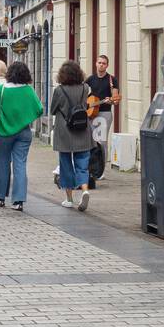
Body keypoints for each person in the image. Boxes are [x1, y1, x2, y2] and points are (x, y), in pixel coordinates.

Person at [0, 62, 43, 211]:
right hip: (24, 132)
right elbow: (39, 109)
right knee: (20, 165)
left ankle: (0, 198)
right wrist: (25, 118)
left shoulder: (2, 89)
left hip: (4, 132)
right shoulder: (29, 90)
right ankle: (18, 201)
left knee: (3, 164)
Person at [51, 60, 95, 211]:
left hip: (64, 130)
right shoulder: (85, 88)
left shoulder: (59, 90)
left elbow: (52, 109)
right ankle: (84, 190)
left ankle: (69, 199)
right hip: (82, 128)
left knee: (66, 164)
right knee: (82, 164)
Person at [85, 54, 120, 188]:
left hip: (104, 112)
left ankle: (100, 171)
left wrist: (111, 99)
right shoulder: (90, 80)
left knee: (101, 142)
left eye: (104, 63)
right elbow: (84, 95)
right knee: (92, 141)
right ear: (96, 63)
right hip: (91, 113)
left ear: (107, 65)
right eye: (99, 62)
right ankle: (92, 167)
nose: (101, 65)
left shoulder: (112, 80)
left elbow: (115, 99)